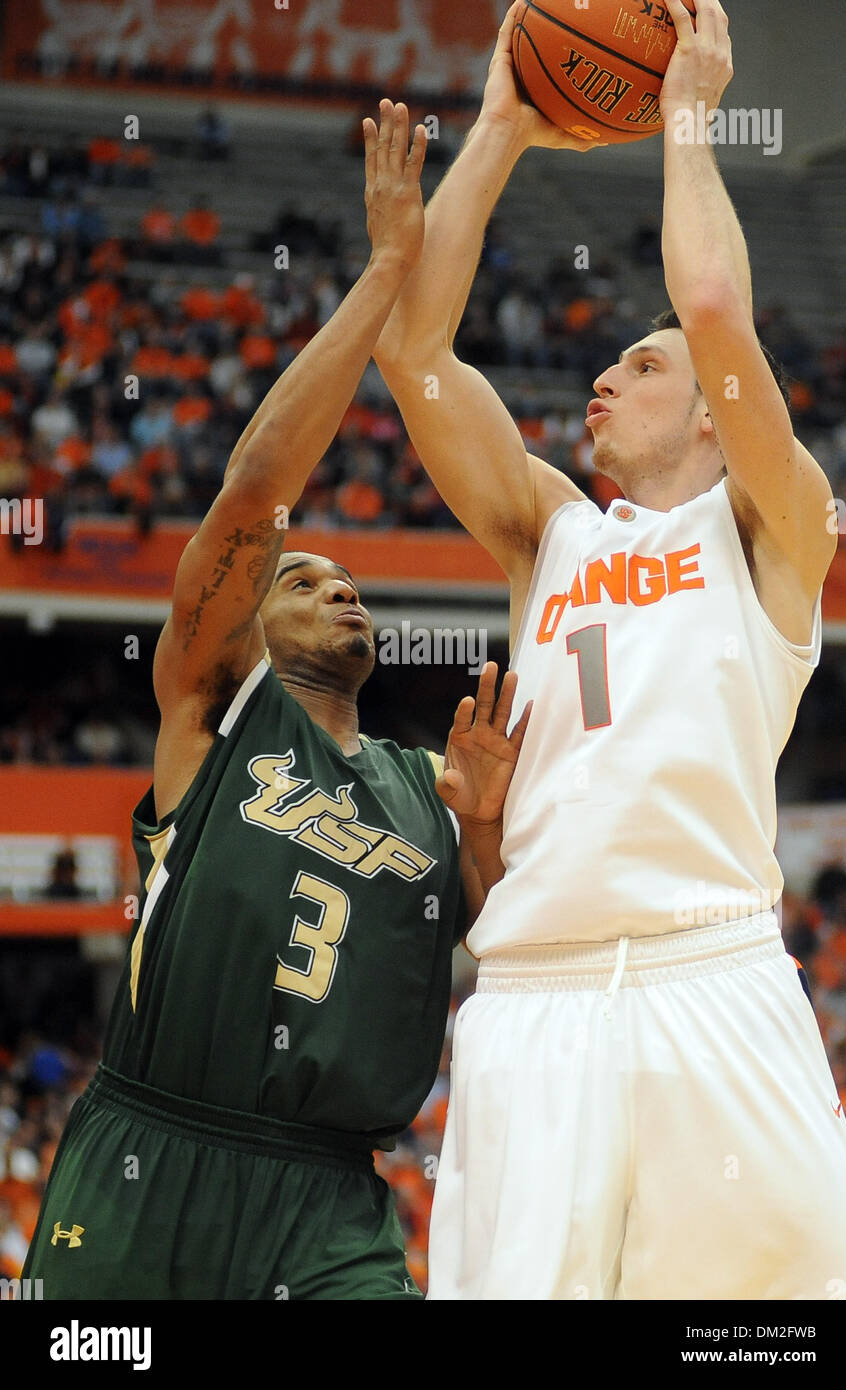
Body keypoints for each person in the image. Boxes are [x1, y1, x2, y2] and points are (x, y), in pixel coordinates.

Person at [374, 1, 846, 1299]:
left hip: (712, 975)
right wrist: (497, 124)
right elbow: (412, 353)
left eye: (637, 368)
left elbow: (710, 305)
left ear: (711, 411)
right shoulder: (550, 533)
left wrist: (684, 116)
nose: (599, 379)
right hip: (532, 998)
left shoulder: (775, 523)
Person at [22, 104, 527, 1301]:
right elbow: (256, 487)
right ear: (251, 616)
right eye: (302, 578)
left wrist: (491, 829)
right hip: (150, 1154)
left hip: (328, 1198)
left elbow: (490, 939)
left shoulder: (421, 784)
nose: (337, 584)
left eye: (349, 581)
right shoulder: (213, 703)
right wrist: (388, 275)